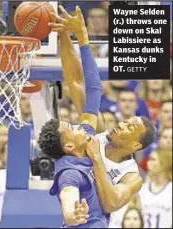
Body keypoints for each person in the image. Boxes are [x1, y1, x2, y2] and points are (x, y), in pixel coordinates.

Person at [38, 5, 156, 227]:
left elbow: (111, 203)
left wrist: (97, 159)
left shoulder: (132, 176)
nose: (121, 124)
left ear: (136, 145)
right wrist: (66, 35)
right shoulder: (89, 140)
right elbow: (76, 82)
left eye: (130, 127)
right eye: (125, 121)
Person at [136, 147, 172, 228]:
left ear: (164, 163)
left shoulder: (170, 189)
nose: (148, 162)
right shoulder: (142, 189)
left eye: (153, 159)